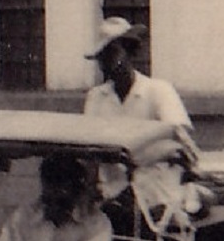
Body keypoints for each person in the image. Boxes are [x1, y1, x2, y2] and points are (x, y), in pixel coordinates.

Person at [83, 17, 195, 199]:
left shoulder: (159, 90)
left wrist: (136, 156)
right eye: (102, 57)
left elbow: (178, 143)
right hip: (112, 196)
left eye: (112, 54)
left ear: (130, 52)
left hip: (158, 197)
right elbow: (90, 153)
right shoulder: (96, 97)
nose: (106, 63)